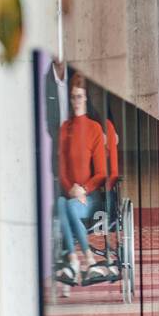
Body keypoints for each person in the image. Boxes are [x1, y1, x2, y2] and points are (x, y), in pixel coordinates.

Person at [56, 74, 108, 287]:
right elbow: (62, 170)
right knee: (63, 204)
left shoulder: (94, 128)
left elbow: (101, 173)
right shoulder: (65, 128)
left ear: (85, 98)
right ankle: (79, 259)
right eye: (73, 97)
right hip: (71, 195)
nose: (76, 101)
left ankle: (81, 259)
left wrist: (84, 190)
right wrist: (71, 190)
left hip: (91, 197)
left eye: (79, 96)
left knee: (65, 207)